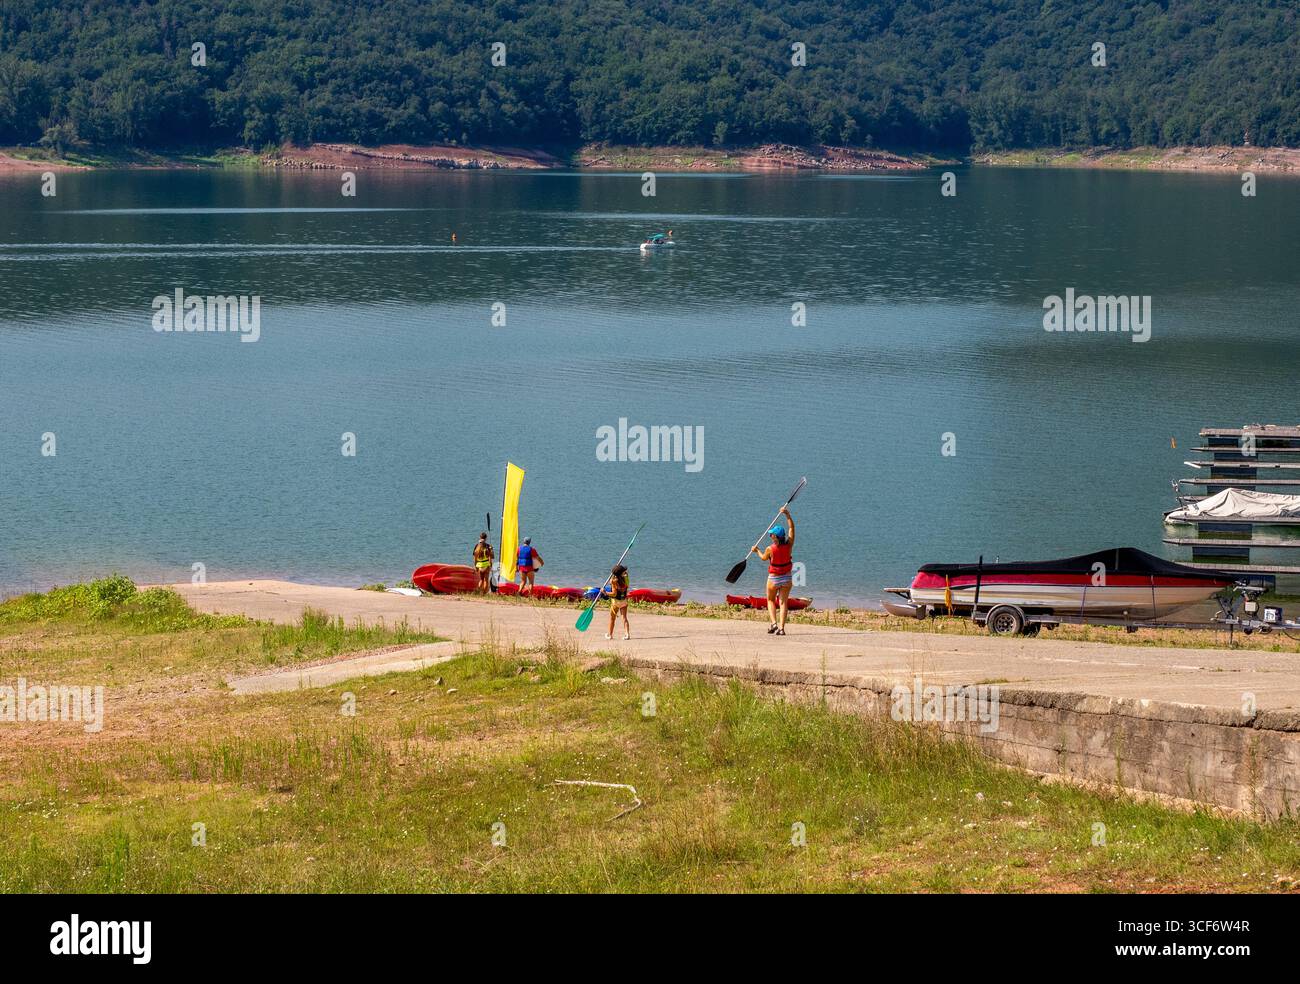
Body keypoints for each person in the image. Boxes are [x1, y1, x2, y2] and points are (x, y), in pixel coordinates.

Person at [752, 506, 795, 634]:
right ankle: (781, 629)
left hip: (774, 578)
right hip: (787, 577)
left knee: (770, 600)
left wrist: (757, 550)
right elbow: (791, 529)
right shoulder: (789, 544)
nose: (770, 535)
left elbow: (763, 558)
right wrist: (787, 515)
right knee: (783, 603)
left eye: (772, 534)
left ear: (775, 537)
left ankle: (774, 624)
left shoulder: (769, 549)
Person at [605, 564, 630, 640]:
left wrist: (605, 592)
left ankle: (610, 635)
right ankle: (627, 634)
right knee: (624, 618)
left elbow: (614, 594)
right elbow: (626, 574)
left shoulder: (614, 581)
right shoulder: (625, 579)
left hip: (615, 602)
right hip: (624, 601)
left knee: (612, 619)